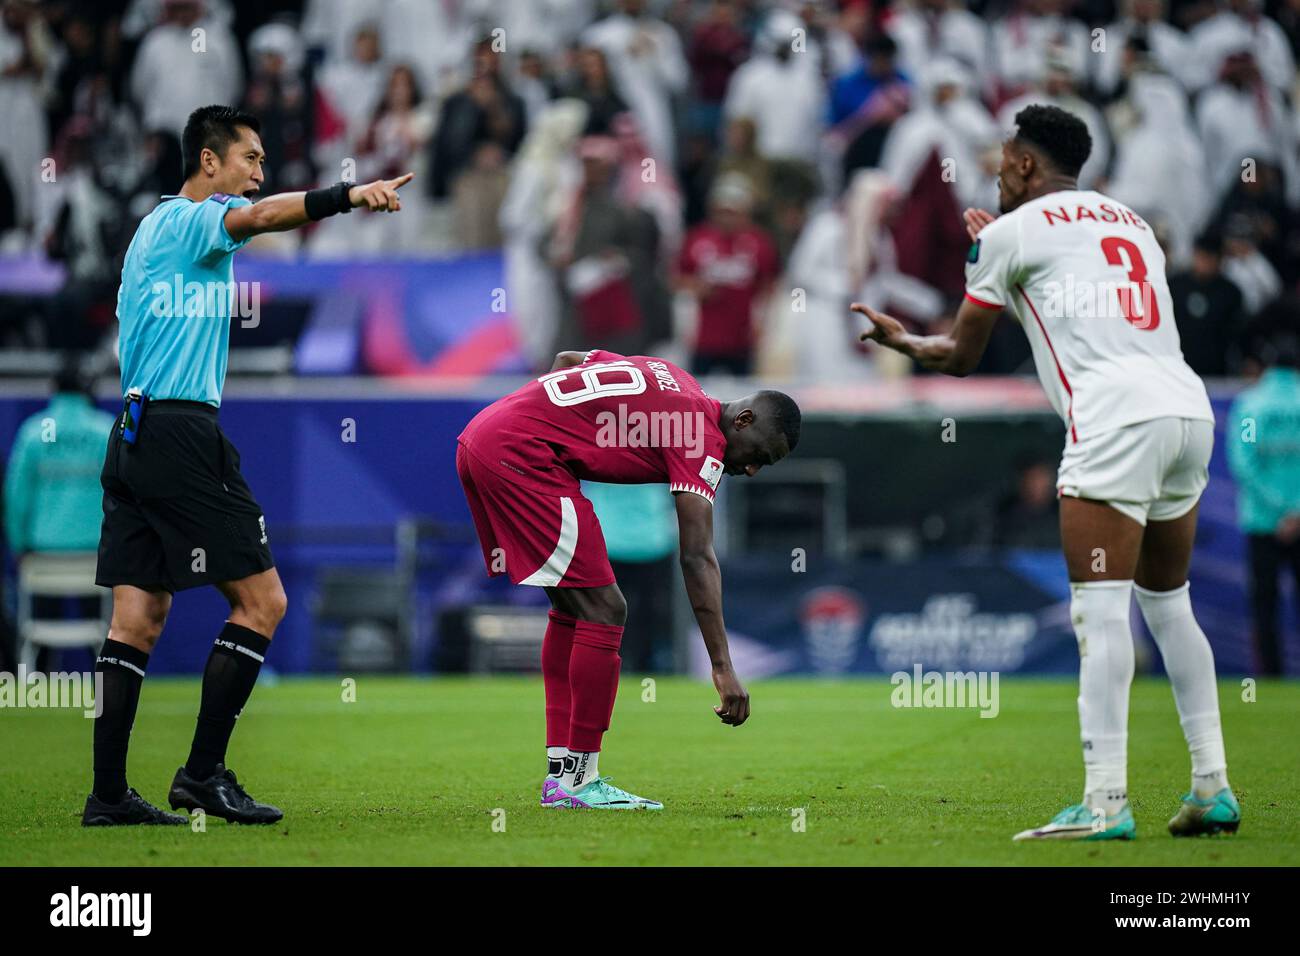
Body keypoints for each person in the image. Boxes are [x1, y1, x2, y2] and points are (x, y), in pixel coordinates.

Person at [854, 104, 1239, 841]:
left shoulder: (1007, 234)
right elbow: (1076, 286)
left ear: (1027, 165)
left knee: (1099, 613)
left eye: (1003, 162)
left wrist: (907, 340)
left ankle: (1103, 802)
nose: (996, 174)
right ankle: (1212, 785)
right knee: (1169, 605)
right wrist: (998, 255)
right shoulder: (1131, 224)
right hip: (1186, 412)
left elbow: (962, 357)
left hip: (1114, 421)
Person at [86, 104, 413, 827]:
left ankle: (108, 795)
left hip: (133, 434)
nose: (257, 174)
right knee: (263, 604)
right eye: (249, 158)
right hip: (180, 431)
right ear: (209, 162)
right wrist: (346, 196)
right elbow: (261, 219)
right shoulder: (197, 221)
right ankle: (202, 774)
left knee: (136, 618)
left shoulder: (148, 233)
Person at [456, 348, 800, 809]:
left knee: (573, 609)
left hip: (487, 435)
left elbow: (568, 358)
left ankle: (562, 772)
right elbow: (696, 557)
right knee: (607, 608)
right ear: (743, 420)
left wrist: (552, 422)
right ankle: (580, 780)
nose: (753, 469)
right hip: (522, 455)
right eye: (760, 454)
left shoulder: (676, 376)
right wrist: (722, 667)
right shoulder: (701, 440)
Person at [1226, 336, 1300, 676]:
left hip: (1262, 520)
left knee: (1264, 604)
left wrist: (1278, 509)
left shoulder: (1250, 406)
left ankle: (1269, 678)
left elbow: (1244, 463)